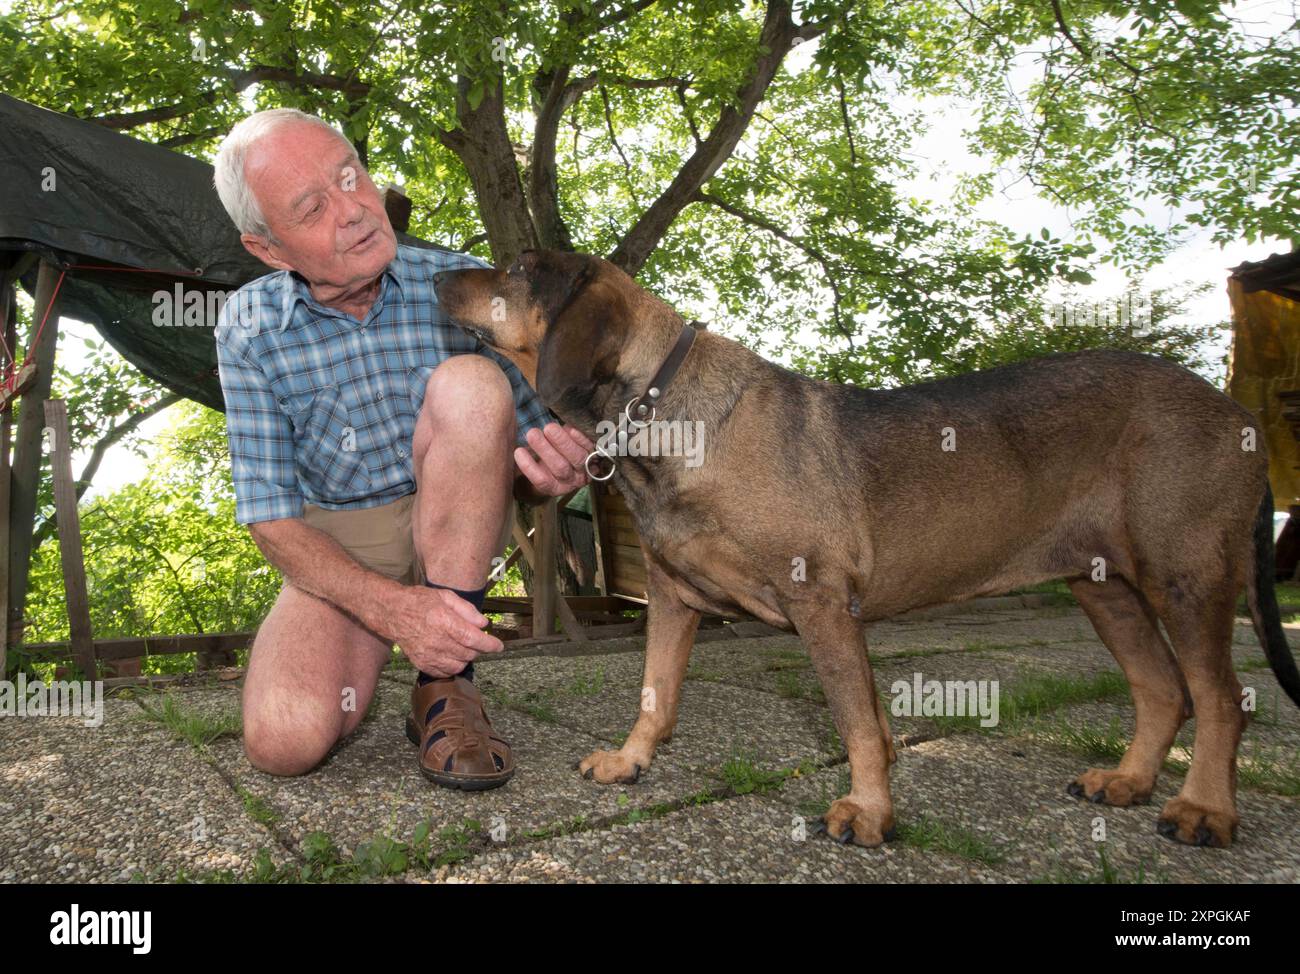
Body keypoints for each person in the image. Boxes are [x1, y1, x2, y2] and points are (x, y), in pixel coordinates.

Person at [211, 108, 593, 789]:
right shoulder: (247, 326)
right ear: (269, 248)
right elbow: (269, 517)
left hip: (458, 517)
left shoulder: (466, 283)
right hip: (346, 541)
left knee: (472, 384)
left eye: (350, 176)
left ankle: (445, 689)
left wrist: (555, 470)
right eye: (312, 206)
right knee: (283, 740)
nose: (355, 210)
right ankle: (403, 638)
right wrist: (387, 607)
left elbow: (534, 457)